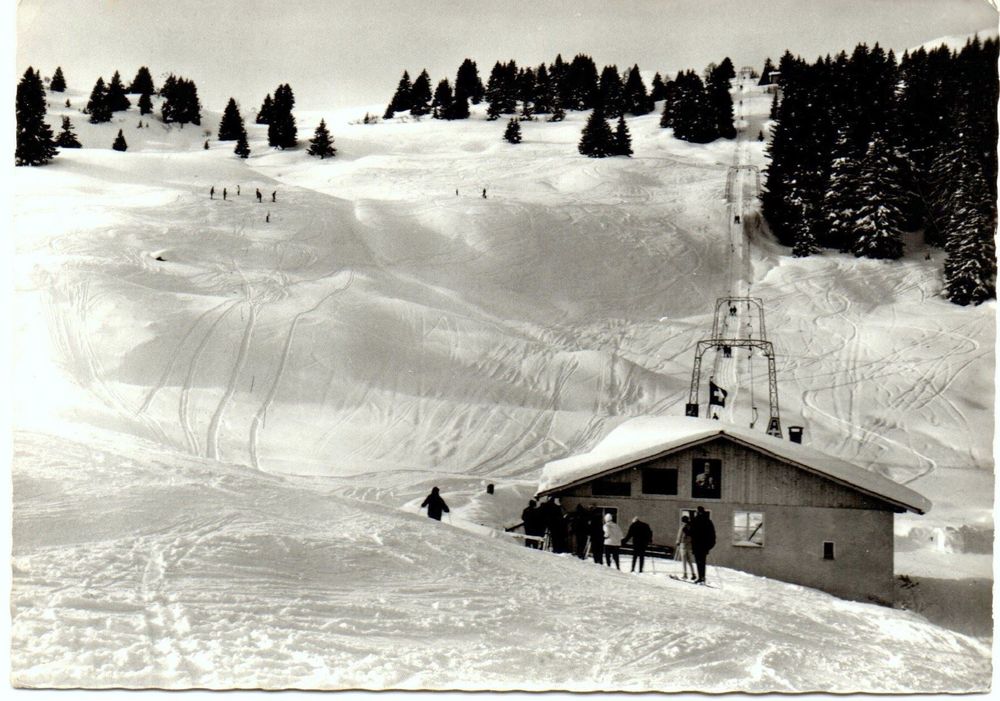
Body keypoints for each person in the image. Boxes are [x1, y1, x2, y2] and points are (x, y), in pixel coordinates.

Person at [688, 506, 716, 584]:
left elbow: (691, 532)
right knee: (703, 561)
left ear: (697, 512)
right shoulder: (708, 521)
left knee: (698, 561)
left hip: (697, 544)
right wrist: (710, 545)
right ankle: (702, 577)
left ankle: (700, 577)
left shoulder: (695, 520)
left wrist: (686, 530)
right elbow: (712, 534)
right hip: (704, 546)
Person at [675, 515, 696, 580]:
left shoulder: (683, 527)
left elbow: (680, 535)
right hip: (690, 545)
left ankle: (685, 574)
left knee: (684, 560)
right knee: (689, 560)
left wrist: (678, 542)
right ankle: (693, 573)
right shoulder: (691, 527)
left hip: (683, 544)